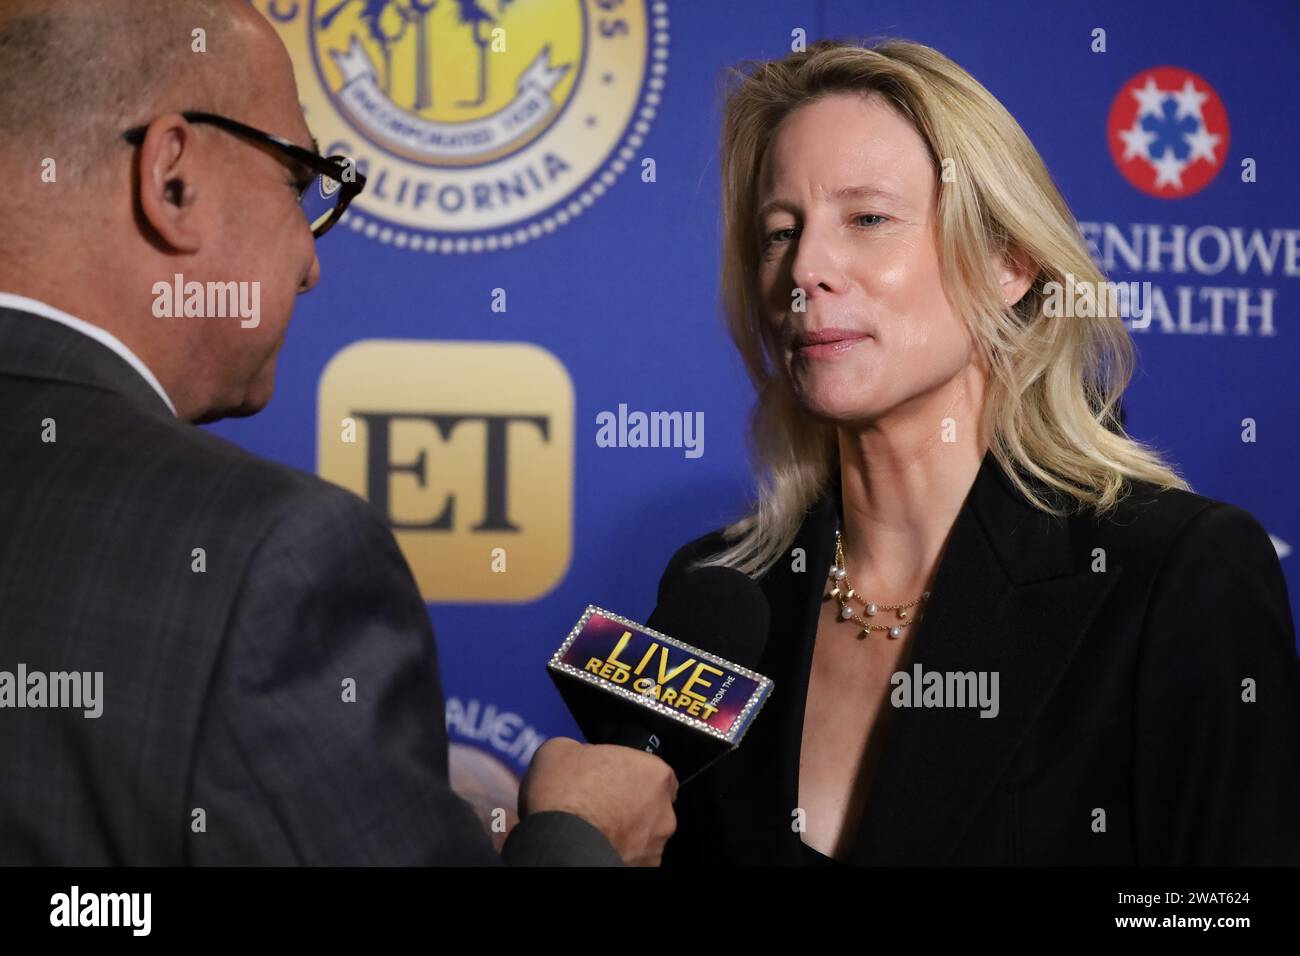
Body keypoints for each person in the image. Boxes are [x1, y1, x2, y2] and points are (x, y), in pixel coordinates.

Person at [0, 0, 676, 866]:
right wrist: (583, 835)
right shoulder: (269, 558)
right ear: (174, 182)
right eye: (299, 183)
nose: (311, 263)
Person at [657, 38, 1300, 866]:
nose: (804, 270)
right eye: (780, 232)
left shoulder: (1175, 576)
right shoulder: (714, 594)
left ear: (1008, 261)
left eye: (867, 219)